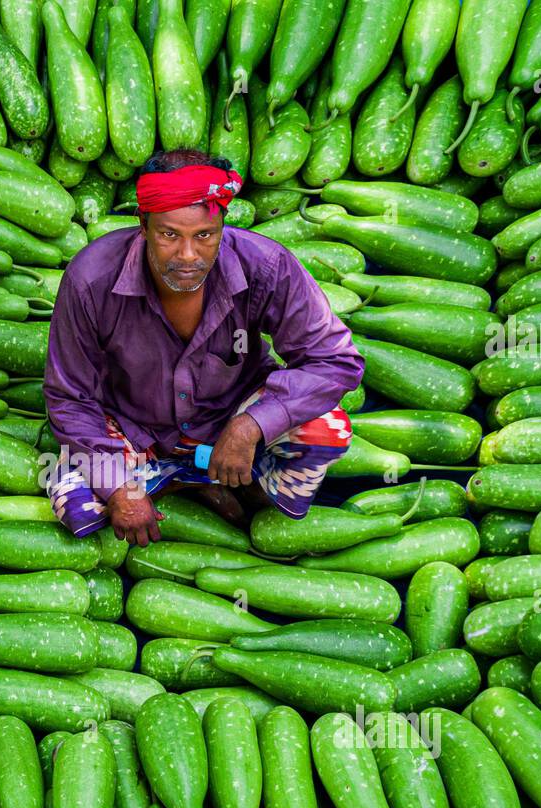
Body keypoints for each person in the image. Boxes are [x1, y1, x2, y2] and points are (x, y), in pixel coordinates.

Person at [42, 148, 365, 546]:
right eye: (169, 235)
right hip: (135, 430)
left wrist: (251, 425)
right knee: (71, 498)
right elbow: (70, 398)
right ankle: (189, 485)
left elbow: (335, 360)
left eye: (204, 235)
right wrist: (121, 491)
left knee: (326, 430)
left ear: (223, 227)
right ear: (143, 224)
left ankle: (224, 481)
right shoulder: (90, 278)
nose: (188, 255)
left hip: (229, 419)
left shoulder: (266, 266)